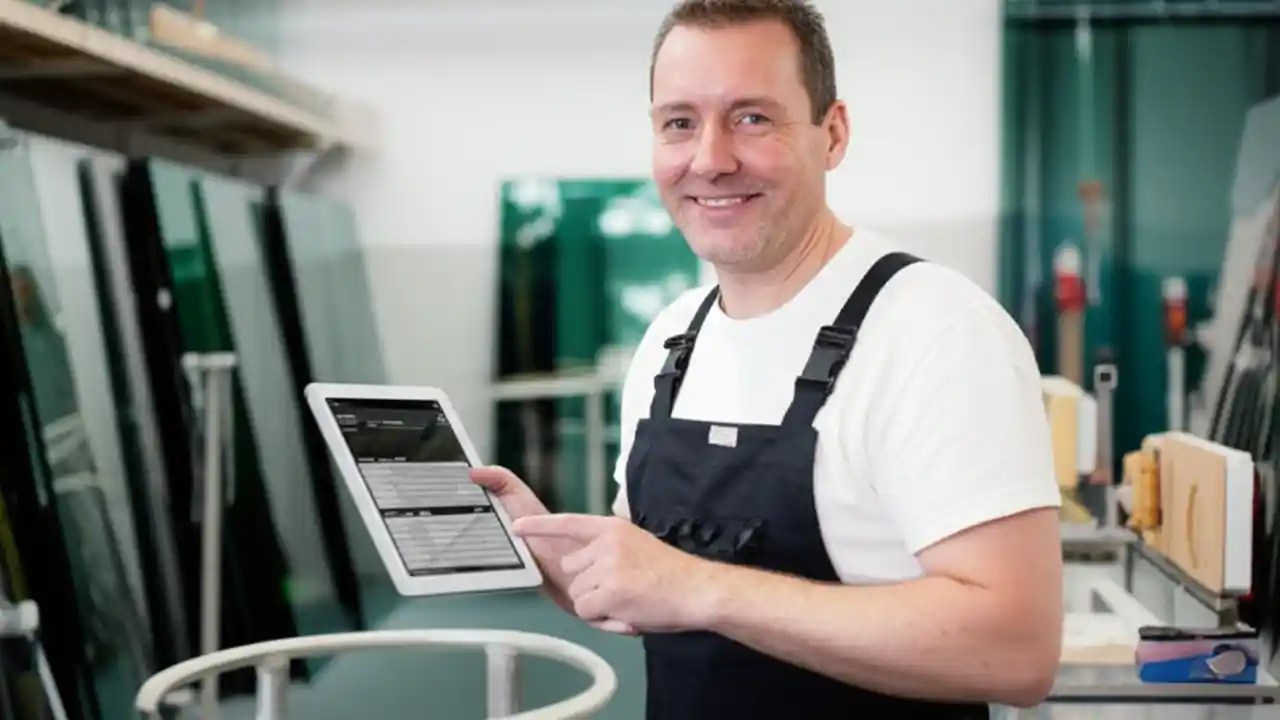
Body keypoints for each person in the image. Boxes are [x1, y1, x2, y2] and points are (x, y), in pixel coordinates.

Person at [472, 0, 1064, 716]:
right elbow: (646, 595)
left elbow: (1016, 651)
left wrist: (699, 585)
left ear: (833, 133)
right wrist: (545, 549)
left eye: (752, 117)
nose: (711, 160)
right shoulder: (670, 340)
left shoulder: (935, 329)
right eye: (679, 123)